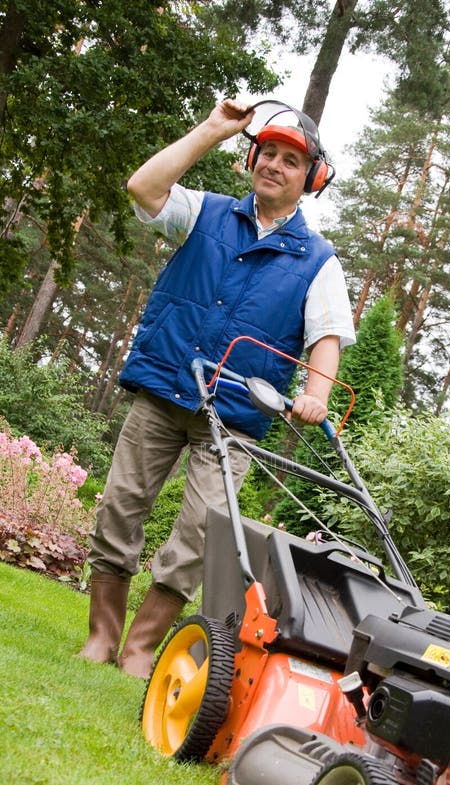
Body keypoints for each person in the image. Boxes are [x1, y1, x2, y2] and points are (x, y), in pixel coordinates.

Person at [78, 98, 355, 678]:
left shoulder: (319, 259)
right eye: (268, 153)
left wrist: (317, 395)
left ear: (312, 179)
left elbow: (326, 336)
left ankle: (140, 648)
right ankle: (102, 637)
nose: (275, 165)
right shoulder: (203, 212)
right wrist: (213, 128)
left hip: (234, 415)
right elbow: (143, 186)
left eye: (291, 160)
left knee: (203, 532)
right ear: (251, 159)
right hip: (164, 385)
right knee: (119, 507)